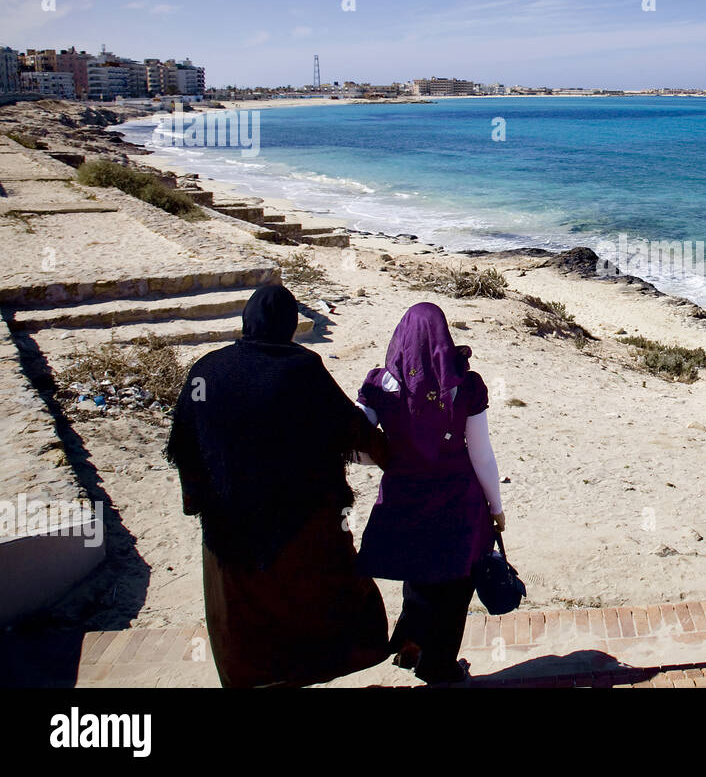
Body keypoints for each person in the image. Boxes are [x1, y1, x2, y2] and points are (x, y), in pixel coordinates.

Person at [166, 285, 390, 688]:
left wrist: (197, 501)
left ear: (246, 321)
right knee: (326, 615)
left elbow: (184, 445)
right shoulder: (301, 368)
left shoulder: (206, 369)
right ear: (288, 326)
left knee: (248, 639)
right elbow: (349, 429)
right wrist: (398, 457)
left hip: (228, 531)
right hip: (303, 525)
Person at [354, 302, 506, 686]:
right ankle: (439, 665)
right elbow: (481, 454)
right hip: (459, 501)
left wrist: (393, 455)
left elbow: (356, 448)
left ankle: (411, 643)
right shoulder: (465, 385)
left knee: (418, 571)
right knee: (456, 583)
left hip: (404, 497)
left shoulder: (381, 383)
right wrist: (497, 506)